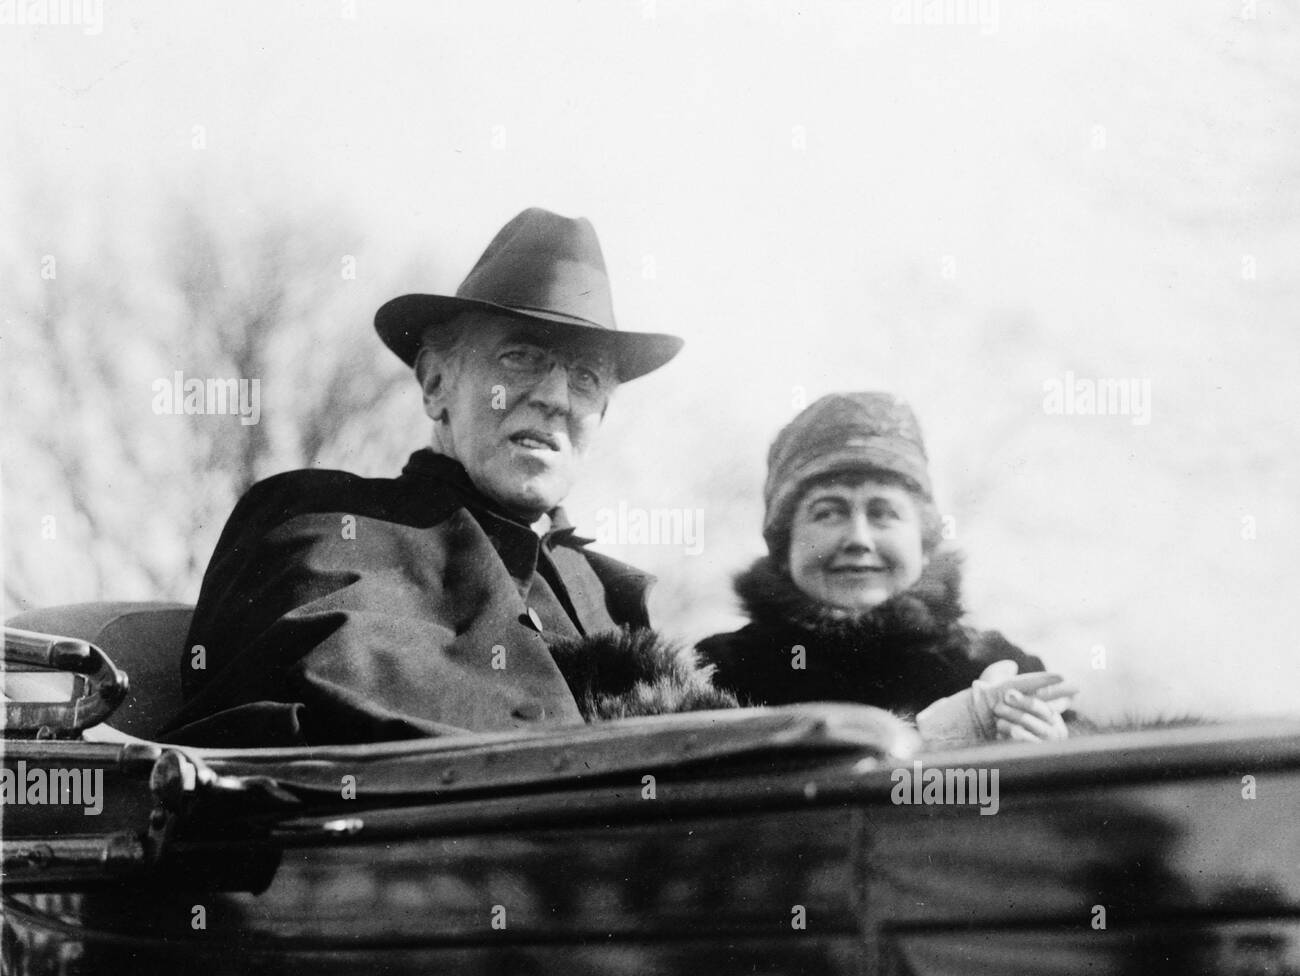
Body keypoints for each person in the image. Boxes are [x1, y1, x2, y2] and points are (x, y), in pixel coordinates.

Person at [161, 207, 733, 748]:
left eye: (585, 379)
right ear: (436, 385)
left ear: (600, 416)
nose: (555, 397)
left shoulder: (608, 597)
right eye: (521, 358)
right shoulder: (331, 525)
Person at [695, 392, 1077, 747]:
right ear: (784, 546)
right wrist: (934, 741)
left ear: (924, 545)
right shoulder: (715, 674)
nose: (858, 539)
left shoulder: (992, 670)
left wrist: (1049, 755)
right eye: (828, 512)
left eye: (883, 513)